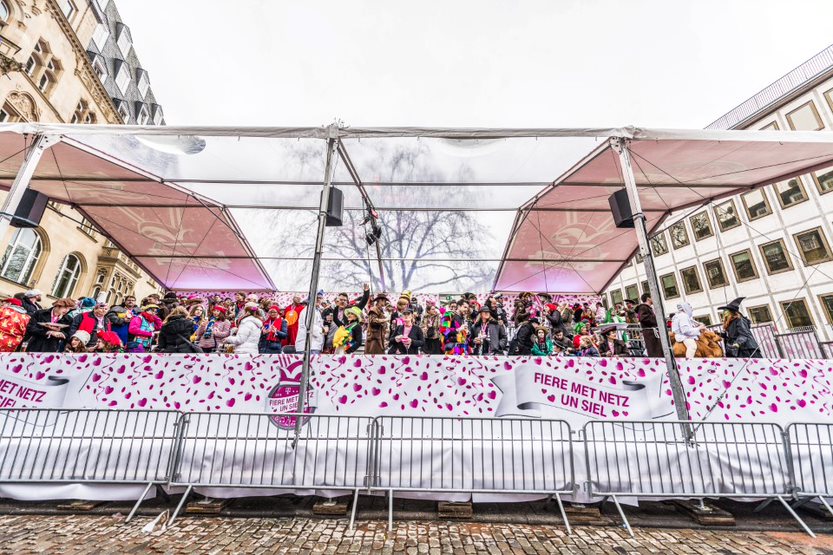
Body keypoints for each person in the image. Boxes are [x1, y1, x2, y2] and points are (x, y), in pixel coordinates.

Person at [636, 293, 663, 357]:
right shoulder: (643, 307)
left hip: (652, 332)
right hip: (650, 333)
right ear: (648, 298)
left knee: (657, 350)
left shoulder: (647, 308)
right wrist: (656, 318)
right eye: (652, 297)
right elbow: (643, 318)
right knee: (654, 350)